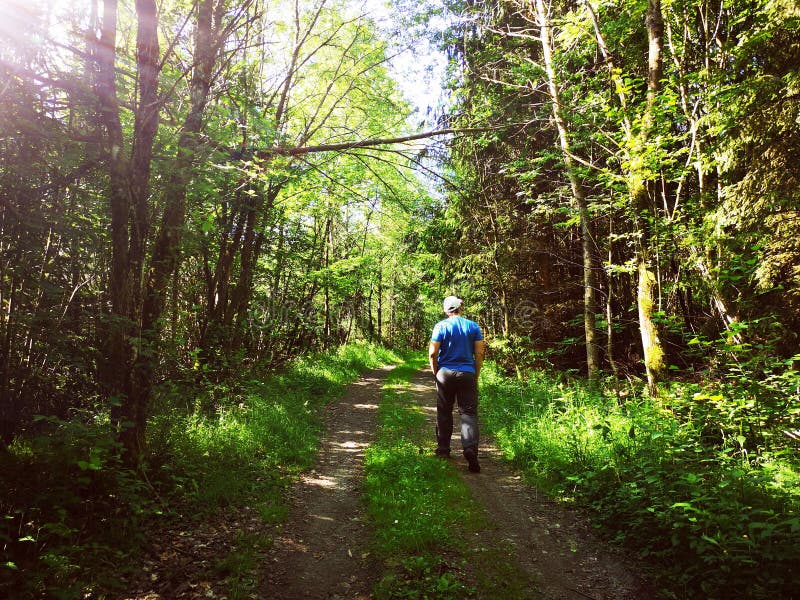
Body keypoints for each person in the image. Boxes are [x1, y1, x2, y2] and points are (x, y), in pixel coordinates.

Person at [428, 295, 485, 473]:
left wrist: (436, 372)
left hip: (445, 373)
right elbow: (480, 353)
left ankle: (443, 450)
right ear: (460, 308)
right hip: (467, 373)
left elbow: (432, 353)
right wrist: (475, 373)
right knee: (468, 413)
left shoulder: (441, 326)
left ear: (446, 310)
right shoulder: (473, 326)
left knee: (444, 411)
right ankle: (470, 449)